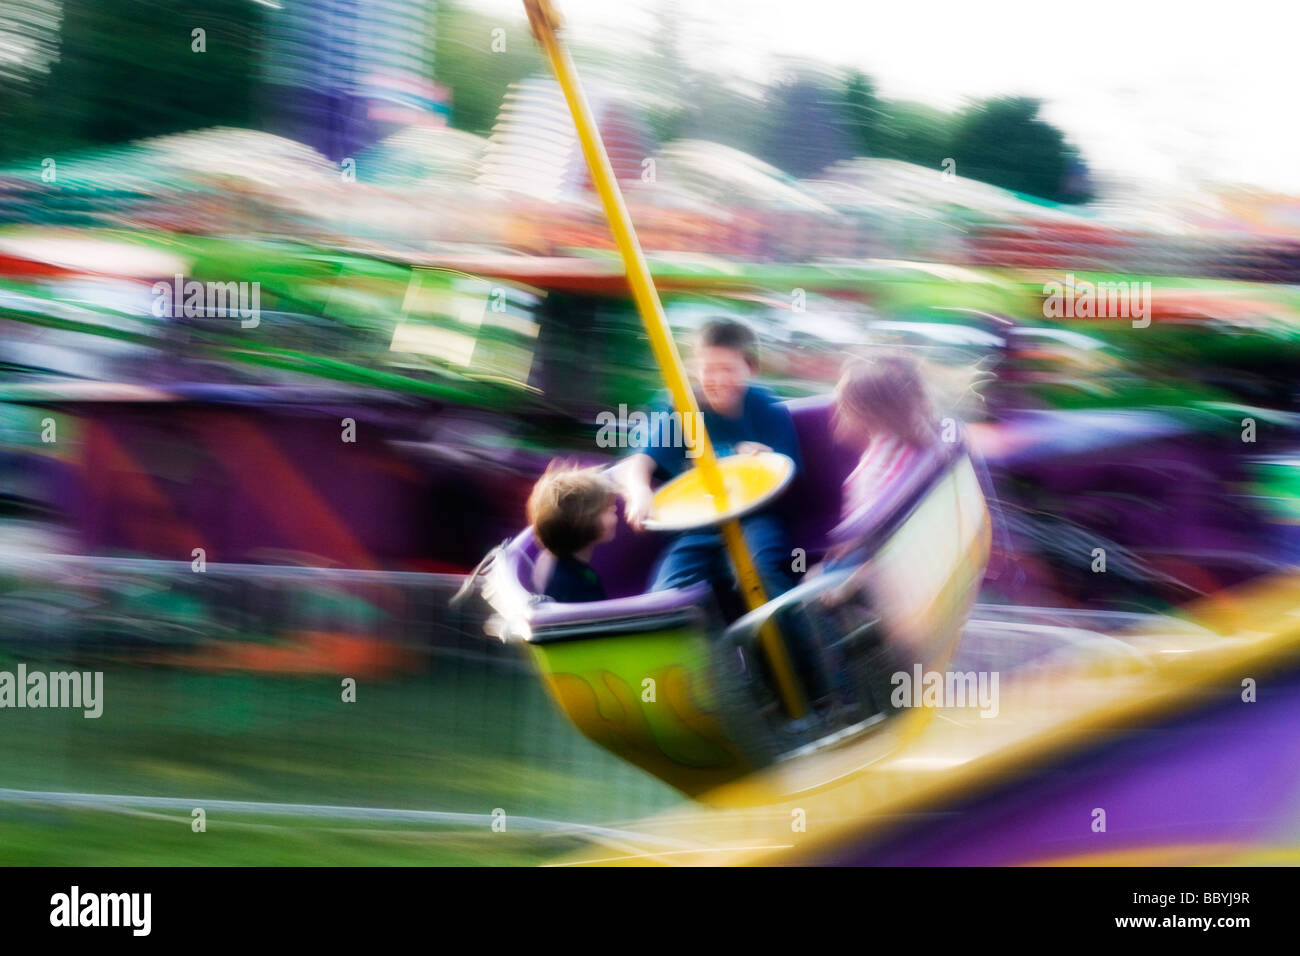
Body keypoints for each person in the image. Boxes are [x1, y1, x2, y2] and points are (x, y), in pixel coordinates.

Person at [615, 318, 801, 598]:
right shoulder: (683, 410)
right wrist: (639, 492)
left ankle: (791, 638)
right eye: (709, 370)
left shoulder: (766, 408)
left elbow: (785, 472)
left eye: (729, 369)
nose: (718, 380)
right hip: (696, 527)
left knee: (756, 572)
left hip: (752, 519)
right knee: (665, 595)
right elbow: (638, 463)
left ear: (751, 369)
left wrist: (759, 461)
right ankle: (702, 638)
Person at [821, 354, 941, 604]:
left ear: (868, 412)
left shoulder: (878, 469)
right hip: (886, 548)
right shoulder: (917, 434)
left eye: (844, 406)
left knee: (811, 578)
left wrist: (845, 558)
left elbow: (872, 530)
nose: (839, 412)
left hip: (871, 560)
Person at [526, 461, 619, 603]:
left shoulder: (548, 557)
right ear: (584, 526)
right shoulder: (578, 587)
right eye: (606, 509)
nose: (614, 509)